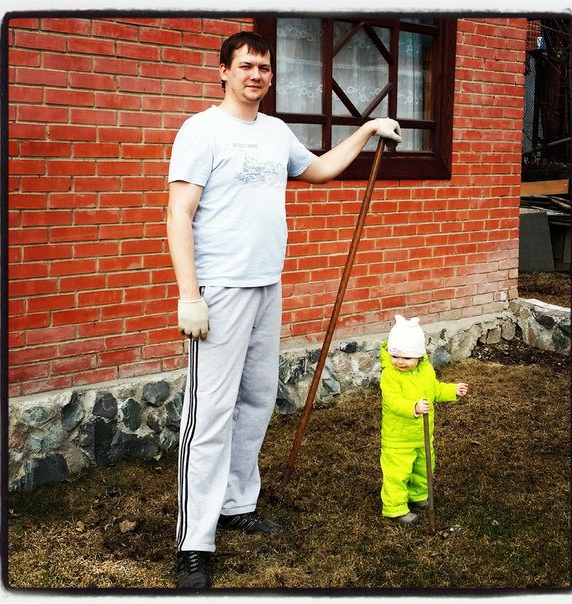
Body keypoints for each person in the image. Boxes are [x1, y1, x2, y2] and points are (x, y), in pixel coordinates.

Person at [167, 30, 403, 588]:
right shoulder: (201, 130)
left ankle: (236, 504)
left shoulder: (275, 132)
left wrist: (367, 130)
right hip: (220, 291)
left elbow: (317, 169)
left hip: (266, 286)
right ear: (223, 71)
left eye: (265, 68)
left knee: (256, 400)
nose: (256, 75)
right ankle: (194, 541)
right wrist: (189, 295)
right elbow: (178, 214)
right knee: (209, 415)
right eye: (246, 66)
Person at [379, 315, 469, 525]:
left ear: (419, 356)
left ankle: (418, 495)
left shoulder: (426, 371)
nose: (400, 362)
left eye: (407, 357)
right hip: (398, 438)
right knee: (397, 473)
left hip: (422, 435)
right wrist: (414, 408)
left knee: (423, 467)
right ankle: (395, 508)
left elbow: (434, 390)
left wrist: (453, 390)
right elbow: (393, 401)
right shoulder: (390, 375)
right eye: (395, 356)